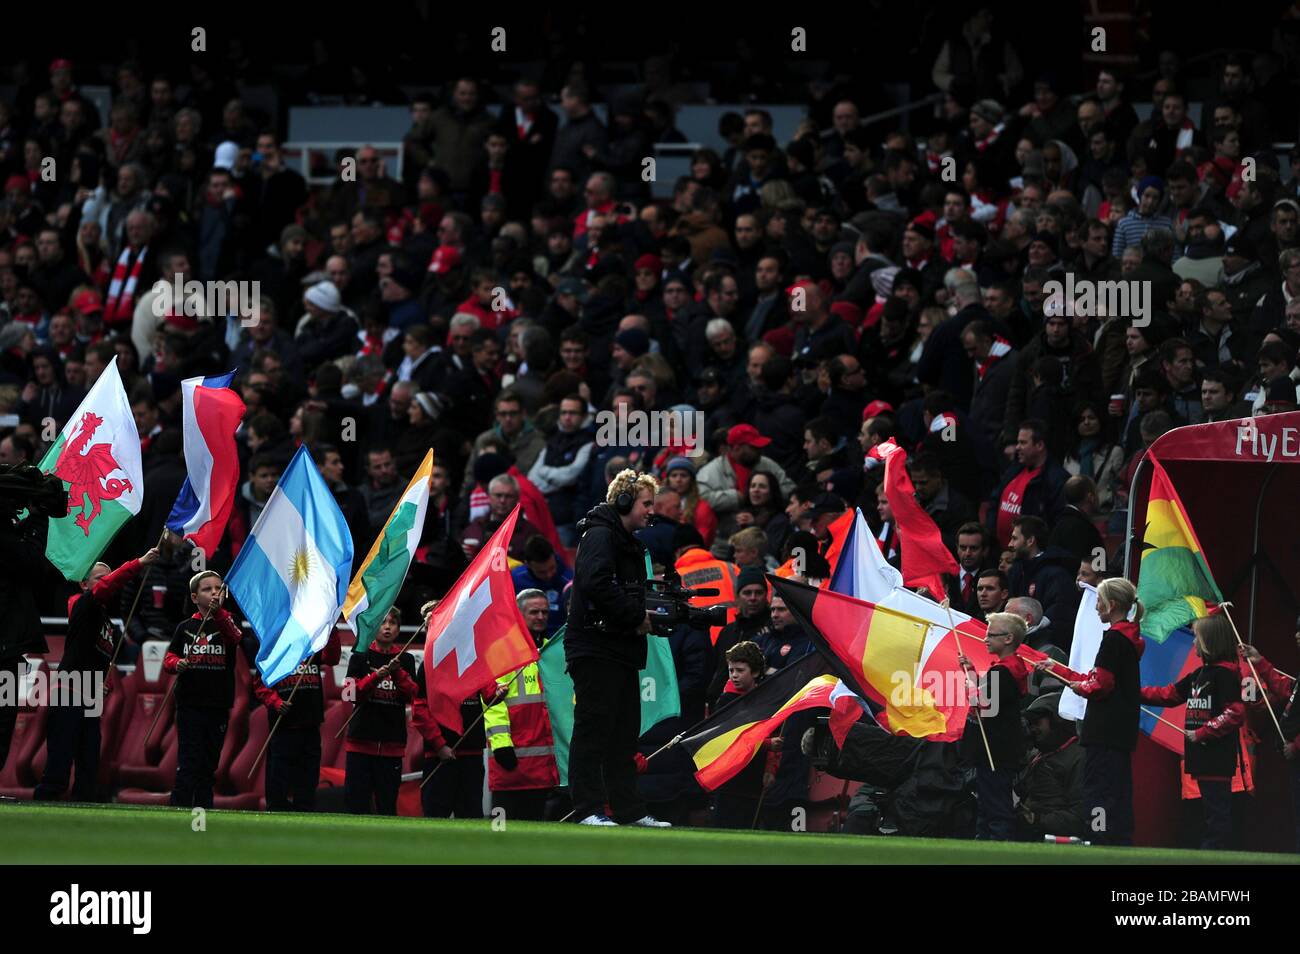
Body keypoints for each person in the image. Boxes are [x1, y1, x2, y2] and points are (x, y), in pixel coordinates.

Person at [564, 469, 670, 827]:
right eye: (646, 503)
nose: (651, 511)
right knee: (593, 730)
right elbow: (596, 583)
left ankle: (629, 811)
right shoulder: (599, 536)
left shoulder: (625, 541)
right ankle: (586, 809)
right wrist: (635, 616)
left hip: (618, 648)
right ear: (624, 501)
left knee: (623, 734)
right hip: (595, 648)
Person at [35, 548, 159, 801]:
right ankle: (43, 806)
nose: (106, 580)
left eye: (108, 576)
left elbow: (106, 662)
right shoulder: (81, 604)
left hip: (91, 697)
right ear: (83, 584)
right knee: (60, 761)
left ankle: (82, 813)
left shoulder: (109, 625)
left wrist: (108, 684)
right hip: (70, 690)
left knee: (89, 762)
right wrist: (138, 563)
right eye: (99, 577)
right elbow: (105, 589)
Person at [1037, 577, 1144, 846]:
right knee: (1117, 786)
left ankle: (1099, 835)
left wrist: (1079, 687)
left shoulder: (1113, 640)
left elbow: (1099, 684)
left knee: (1098, 787)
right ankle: (1117, 836)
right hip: (1120, 729)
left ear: (1112, 605)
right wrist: (1060, 670)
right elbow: (1097, 678)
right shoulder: (1129, 639)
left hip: (1103, 729)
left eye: (1099, 601)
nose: (1095, 607)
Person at [1140, 614, 1245, 850]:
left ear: (1210, 641)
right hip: (1202, 757)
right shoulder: (1199, 675)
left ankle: (1216, 851)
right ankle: (1210, 848)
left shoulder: (1226, 675)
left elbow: (1235, 713)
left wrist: (1202, 733)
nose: (1193, 643)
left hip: (1217, 757)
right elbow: (1169, 694)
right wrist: (1134, 691)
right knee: (1209, 808)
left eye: (1197, 637)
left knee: (1218, 811)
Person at [165, 571, 245, 809]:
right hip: (190, 703)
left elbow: (235, 638)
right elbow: (170, 656)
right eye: (207, 589)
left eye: (218, 588)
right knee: (188, 760)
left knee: (209, 764)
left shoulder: (228, 621)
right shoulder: (185, 627)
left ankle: (203, 809)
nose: (214, 593)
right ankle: (178, 807)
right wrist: (175, 664)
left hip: (218, 703)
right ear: (194, 596)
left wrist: (219, 613)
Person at [482, 590, 560, 821]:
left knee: (535, 826)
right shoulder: (500, 650)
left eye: (545, 612)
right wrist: (501, 745)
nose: (541, 616)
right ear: (518, 614)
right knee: (501, 826)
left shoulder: (551, 652)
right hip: (512, 755)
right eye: (534, 611)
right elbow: (493, 704)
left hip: (543, 758)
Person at [252, 625, 342, 812]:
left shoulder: (312, 646)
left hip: (310, 724)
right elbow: (260, 684)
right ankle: (276, 812)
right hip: (283, 728)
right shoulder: (274, 649)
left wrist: (331, 629)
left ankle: (305, 814)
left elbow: (332, 658)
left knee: (308, 780)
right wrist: (276, 702)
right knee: (279, 779)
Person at [958, 612, 1029, 841]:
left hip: (995, 750)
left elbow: (983, 705)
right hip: (1001, 749)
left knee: (993, 805)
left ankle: (996, 843)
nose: (985, 639)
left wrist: (969, 679)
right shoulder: (1012, 668)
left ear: (1008, 638)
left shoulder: (1002, 671)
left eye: (991, 635)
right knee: (991, 801)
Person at [343, 607, 417, 815]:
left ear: (398, 628)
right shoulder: (359, 656)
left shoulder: (407, 659)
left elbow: (413, 696)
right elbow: (349, 695)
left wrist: (398, 674)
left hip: (392, 744)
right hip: (360, 743)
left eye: (392, 623)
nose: (387, 627)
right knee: (355, 806)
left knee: (387, 806)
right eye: (383, 623)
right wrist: (374, 677)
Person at [1014, 691, 1085, 840]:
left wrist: (1037, 820)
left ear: (1056, 721)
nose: (1033, 729)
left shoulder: (1078, 757)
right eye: (1031, 724)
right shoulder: (1036, 754)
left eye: (1038, 722)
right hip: (1031, 835)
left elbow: (1081, 815)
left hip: (1059, 841)